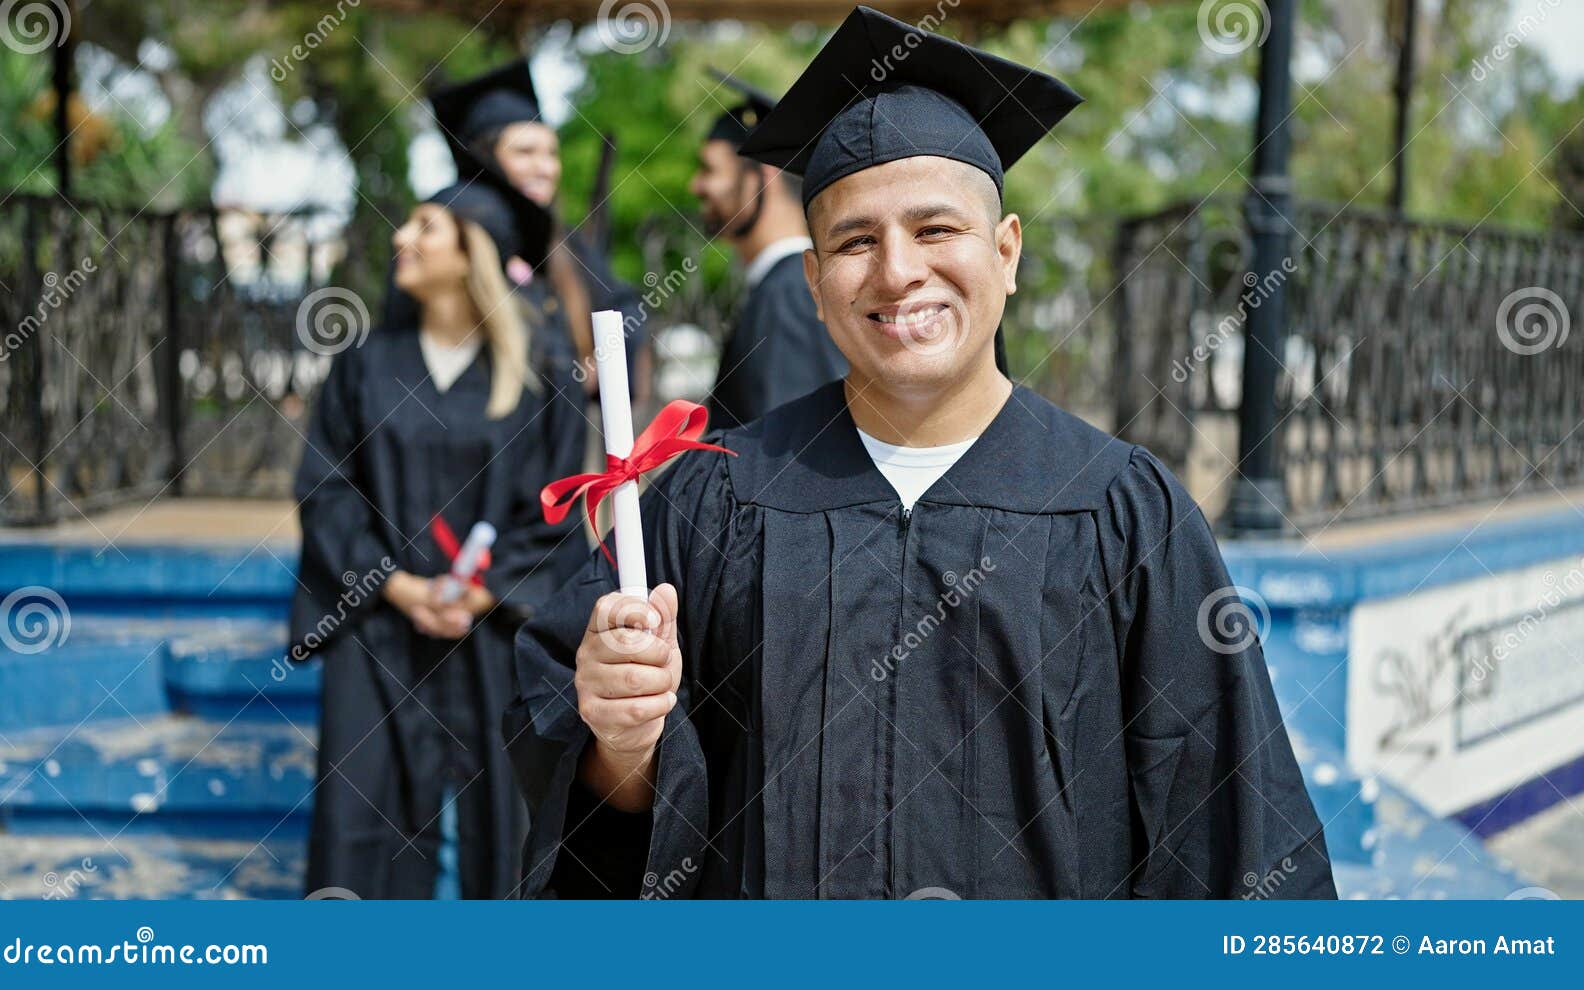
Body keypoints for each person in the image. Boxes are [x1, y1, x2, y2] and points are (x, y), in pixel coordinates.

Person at [504, 6, 1335, 900]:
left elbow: (1226, 829)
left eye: (936, 230)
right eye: (856, 241)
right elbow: (599, 815)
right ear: (817, 284)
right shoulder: (712, 500)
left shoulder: (1124, 513)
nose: (898, 271)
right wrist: (620, 745)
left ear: (1007, 251)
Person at [294, 177, 588, 899]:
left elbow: (557, 508)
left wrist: (482, 590)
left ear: (471, 252)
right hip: (380, 632)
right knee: (363, 822)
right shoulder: (364, 364)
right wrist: (397, 586)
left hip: (493, 633)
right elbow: (327, 490)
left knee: (508, 822)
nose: (402, 238)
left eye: (424, 226)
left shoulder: (539, 372)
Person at [429, 59, 641, 388]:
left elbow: (622, 307)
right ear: (484, 158)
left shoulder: (572, 247)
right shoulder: (452, 241)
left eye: (551, 154)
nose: (545, 168)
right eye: (525, 152)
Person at [691, 69, 846, 429]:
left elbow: (786, 457)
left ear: (762, 177)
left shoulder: (790, 294)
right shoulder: (783, 286)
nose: (696, 185)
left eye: (709, 169)